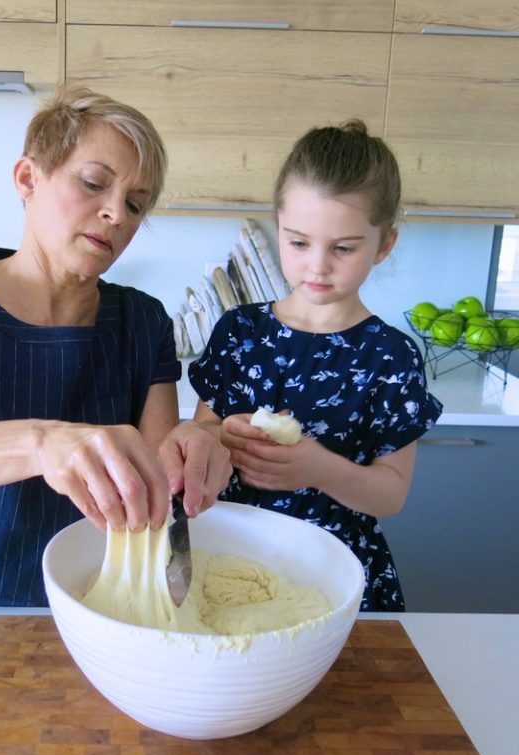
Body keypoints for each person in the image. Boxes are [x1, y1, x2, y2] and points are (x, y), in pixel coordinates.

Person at [0, 86, 231, 607]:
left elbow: (157, 472)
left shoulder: (142, 322)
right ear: (28, 178)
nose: (117, 214)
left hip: (76, 618)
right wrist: (42, 443)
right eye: (94, 183)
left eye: (136, 205)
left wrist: (199, 445)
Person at [188, 119, 443, 611]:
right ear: (278, 226)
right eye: (299, 242)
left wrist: (318, 467)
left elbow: (390, 495)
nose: (317, 266)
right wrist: (224, 436)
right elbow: (201, 444)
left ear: (384, 243)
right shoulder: (240, 332)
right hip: (230, 560)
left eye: (344, 248)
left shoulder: (392, 357)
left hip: (338, 573)